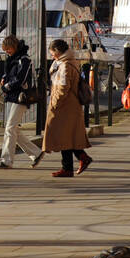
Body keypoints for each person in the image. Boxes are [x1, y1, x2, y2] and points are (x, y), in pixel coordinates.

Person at [41, 39, 93, 178]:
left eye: (52, 53)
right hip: (69, 105)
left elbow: (63, 87)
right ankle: (73, 163)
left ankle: (73, 163)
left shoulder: (65, 65)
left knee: (63, 135)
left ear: (58, 51)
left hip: (64, 105)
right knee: (67, 136)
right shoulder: (69, 61)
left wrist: (55, 102)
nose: (52, 56)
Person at [0, 35, 41, 169]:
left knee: (10, 128)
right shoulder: (15, 58)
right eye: (5, 49)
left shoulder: (24, 59)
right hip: (15, 96)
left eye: (8, 49)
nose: (7, 51)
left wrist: (7, 85)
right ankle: (36, 153)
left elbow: (21, 78)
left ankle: (6, 160)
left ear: (14, 47)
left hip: (21, 96)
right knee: (13, 129)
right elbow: (11, 74)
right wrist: (5, 78)